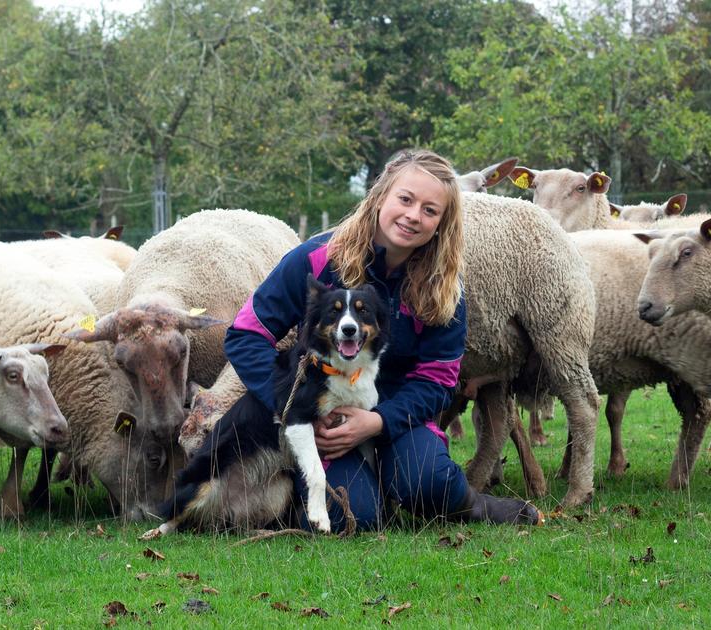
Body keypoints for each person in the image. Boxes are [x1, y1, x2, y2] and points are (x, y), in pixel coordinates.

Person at [224, 149, 541, 532]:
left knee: (426, 481)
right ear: (380, 197)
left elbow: (438, 381)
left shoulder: (444, 290)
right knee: (354, 517)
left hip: (398, 416)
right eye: (405, 199)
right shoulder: (317, 259)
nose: (413, 215)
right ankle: (336, 495)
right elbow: (245, 335)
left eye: (429, 209)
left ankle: (472, 504)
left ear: (442, 222)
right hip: (328, 412)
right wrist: (294, 405)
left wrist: (376, 421)